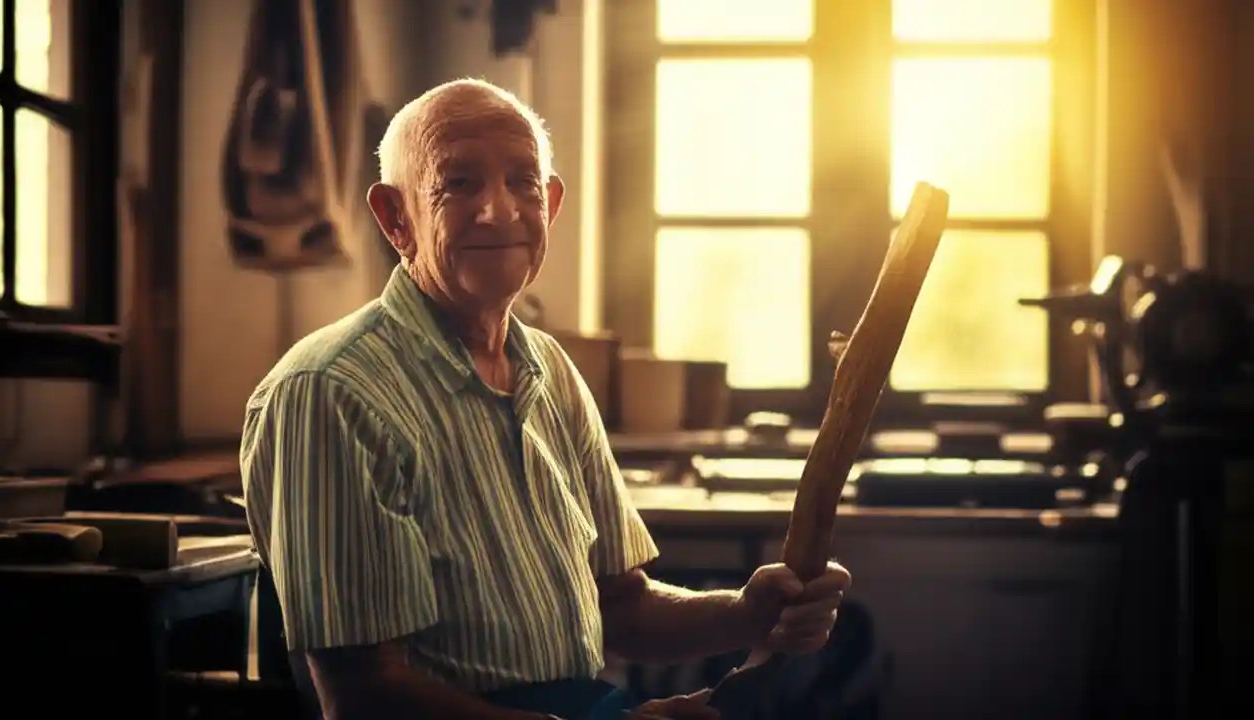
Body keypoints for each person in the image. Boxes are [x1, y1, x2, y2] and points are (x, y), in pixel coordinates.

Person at [239, 78, 852, 720]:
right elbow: (366, 698)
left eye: (522, 182)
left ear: (551, 204)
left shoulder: (551, 370)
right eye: (459, 183)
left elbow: (620, 607)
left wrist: (748, 614)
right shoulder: (330, 393)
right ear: (396, 219)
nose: (499, 211)